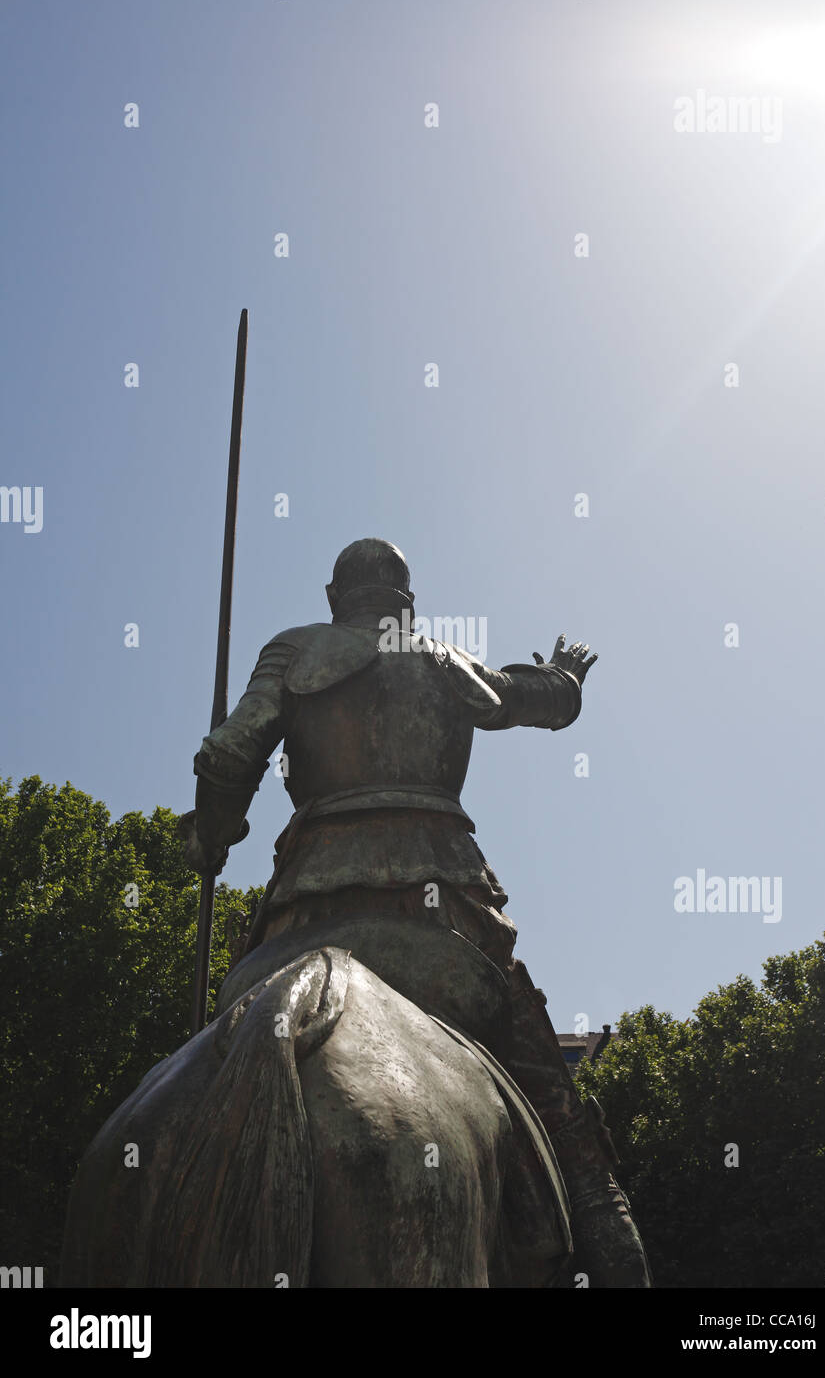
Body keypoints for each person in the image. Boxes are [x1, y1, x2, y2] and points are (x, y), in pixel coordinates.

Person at [180, 537, 650, 1287]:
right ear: (407, 603)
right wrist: (565, 677)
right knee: (569, 1136)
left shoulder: (294, 650)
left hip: (297, 922)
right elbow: (522, 699)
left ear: (336, 599)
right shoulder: (439, 656)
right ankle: (613, 1248)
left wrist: (209, 838)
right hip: (447, 922)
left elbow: (233, 753)